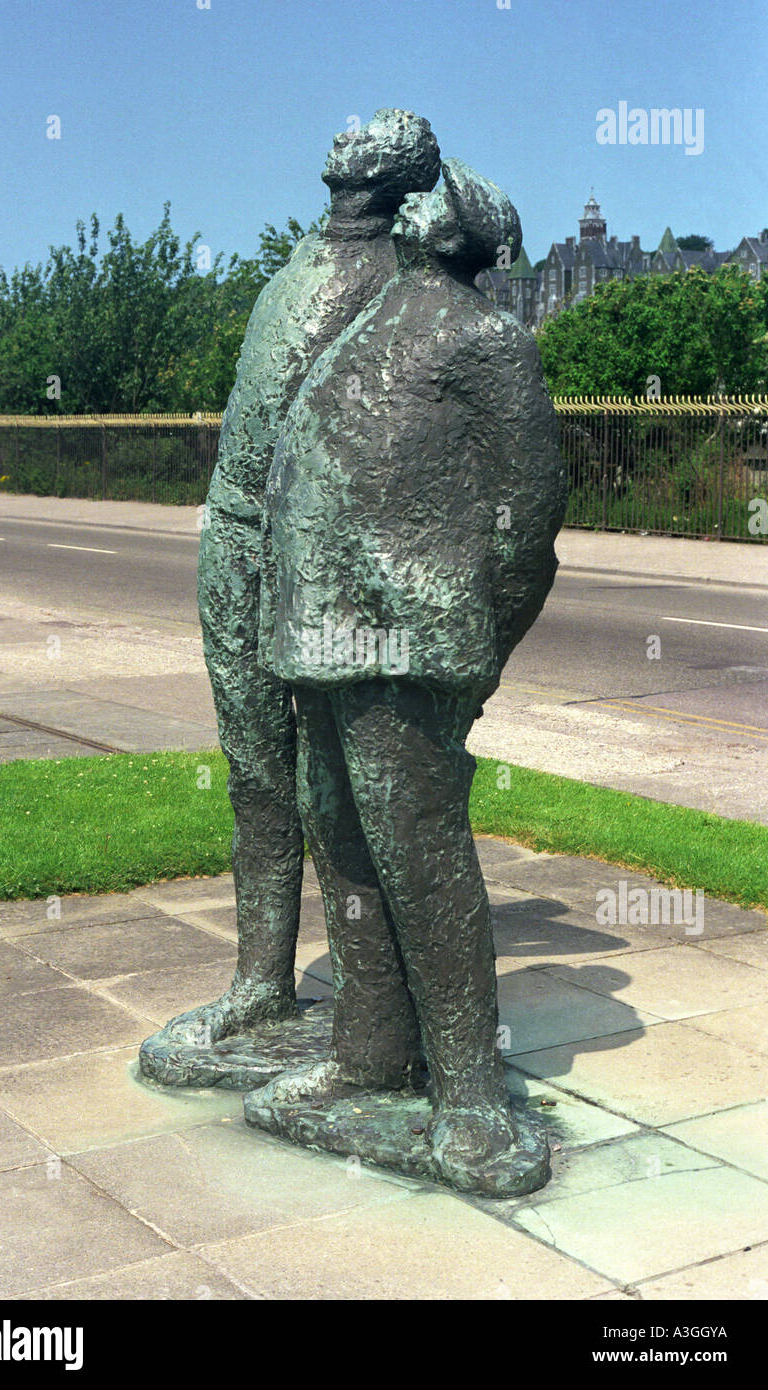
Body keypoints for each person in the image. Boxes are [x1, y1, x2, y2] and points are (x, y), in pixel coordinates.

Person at [252, 159, 567, 1195]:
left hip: (403, 647)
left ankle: (470, 1096)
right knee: (342, 851)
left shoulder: (486, 339)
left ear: (457, 229)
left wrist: (465, 655)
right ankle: (367, 1049)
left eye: (434, 193)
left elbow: (524, 527)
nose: (413, 199)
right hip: (323, 639)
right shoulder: (370, 314)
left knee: (420, 862)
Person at [145, 112, 441, 1067]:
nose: (345, 140)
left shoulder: (401, 280)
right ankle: (261, 982)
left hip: (311, 556)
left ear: (391, 173)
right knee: (254, 771)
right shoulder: (301, 259)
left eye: (370, 139)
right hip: (232, 534)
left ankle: (377, 1011)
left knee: (332, 788)